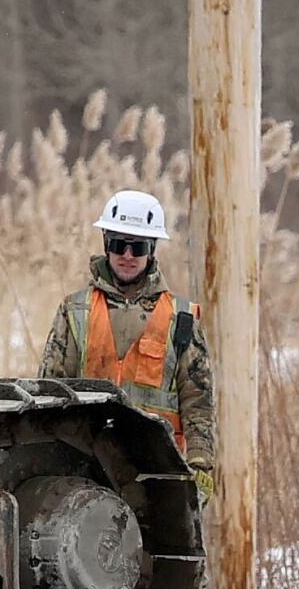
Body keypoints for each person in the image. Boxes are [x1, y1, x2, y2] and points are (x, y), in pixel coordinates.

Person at [38, 188, 216, 497]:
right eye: (120, 245)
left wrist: (200, 462)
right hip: (85, 465)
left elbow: (197, 399)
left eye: (139, 246)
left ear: (152, 249)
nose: (128, 256)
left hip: (159, 469)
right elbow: (49, 390)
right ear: (107, 244)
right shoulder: (74, 310)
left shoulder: (182, 318)